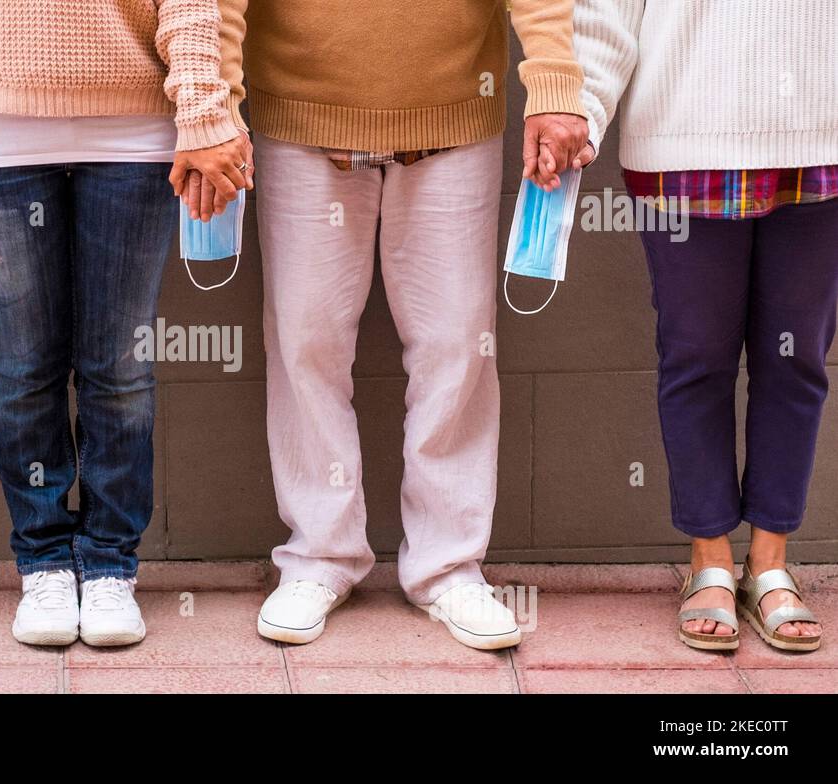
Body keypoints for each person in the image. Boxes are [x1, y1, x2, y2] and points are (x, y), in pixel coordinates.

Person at [219, 0, 591, 649]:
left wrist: (556, 85)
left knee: (457, 345)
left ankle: (449, 565)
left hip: (454, 114)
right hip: (299, 110)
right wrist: (218, 99)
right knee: (306, 343)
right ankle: (319, 557)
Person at [0, 0, 251, 647]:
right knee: (26, 367)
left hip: (138, 133)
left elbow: (191, 5)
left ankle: (110, 564)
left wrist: (202, 109)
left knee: (121, 368)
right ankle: (45, 561)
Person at [575, 1, 835, 652]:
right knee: (697, 355)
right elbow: (603, 10)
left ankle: (770, 562)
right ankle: (709, 560)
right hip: (683, 133)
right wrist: (581, 107)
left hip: (824, 136)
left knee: (798, 357)